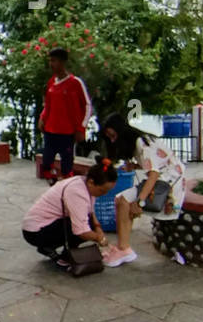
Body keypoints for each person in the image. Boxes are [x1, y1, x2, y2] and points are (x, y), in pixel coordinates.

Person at [23, 155, 122, 275]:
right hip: (35, 232)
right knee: (80, 227)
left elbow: (90, 212)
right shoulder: (76, 191)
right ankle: (60, 252)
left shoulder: (85, 184)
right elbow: (81, 230)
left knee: (87, 221)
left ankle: (62, 250)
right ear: (91, 182)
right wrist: (99, 238)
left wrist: (98, 228)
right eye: (102, 190)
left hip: (47, 224)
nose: (103, 194)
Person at [91, 108, 147, 265]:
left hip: (167, 184)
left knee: (124, 201)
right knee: (120, 200)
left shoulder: (141, 143)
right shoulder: (136, 145)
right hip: (157, 180)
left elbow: (155, 172)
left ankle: (124, 248)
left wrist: (140, 201)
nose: (113, 141)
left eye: (113, 136)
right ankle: (124, 248)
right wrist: (135, 166)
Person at [37, 47, 87, 180]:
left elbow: (87, 105)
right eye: (50, 61)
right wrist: (42, 118)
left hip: (67, 132)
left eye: (54, 61)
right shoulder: (51, 82)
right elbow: (47, 104)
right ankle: (53, 182)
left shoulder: (75, 83)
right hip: (50, 130)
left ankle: (66, 186)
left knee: (67, 165)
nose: (51, 64)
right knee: (47, 162)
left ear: (62, 62)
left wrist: (81, 128)